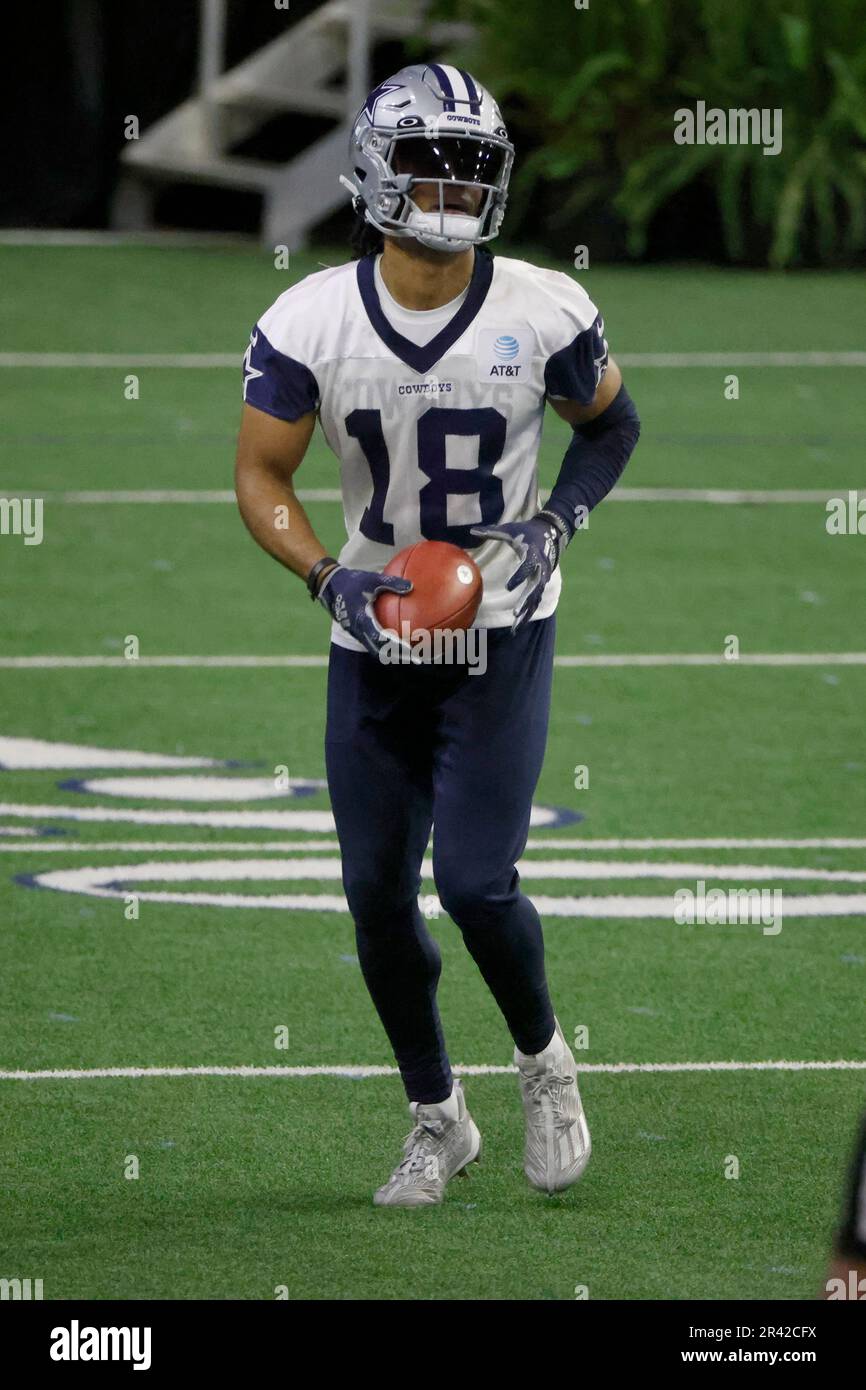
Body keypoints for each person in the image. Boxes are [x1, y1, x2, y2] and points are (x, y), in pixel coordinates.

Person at [234, 62, 640, 1206]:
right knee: (372, 893)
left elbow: (610, 428)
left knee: (471, 880)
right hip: (372, 635)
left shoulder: (544, 307)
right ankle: (434, 1114)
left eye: (473, 165)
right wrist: (328, 581)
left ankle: (541, 1061)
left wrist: (556, 518)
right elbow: (261, 474)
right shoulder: (310, 314)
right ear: (375, 171)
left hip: (497, 634)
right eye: (430, 162)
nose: (453, 188)